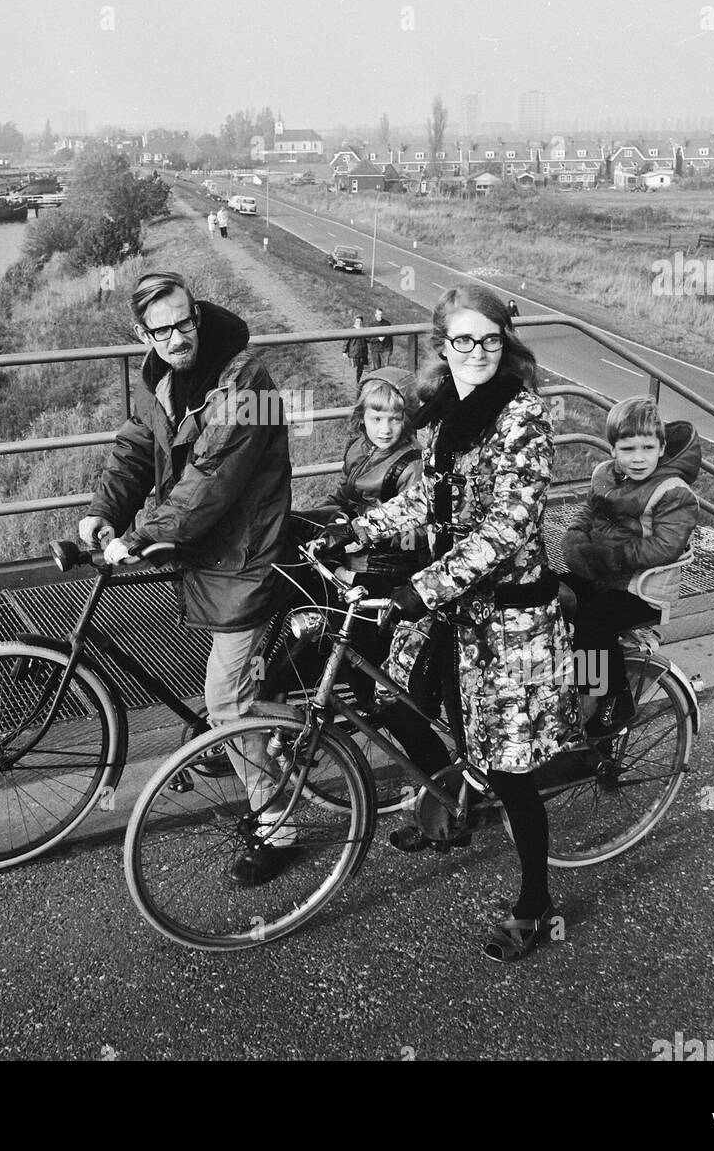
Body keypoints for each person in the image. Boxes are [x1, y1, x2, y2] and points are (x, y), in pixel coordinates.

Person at [319, 283, 576, 962]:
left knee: (505, 763)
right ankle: (449, 815)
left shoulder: (523, 416)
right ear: (442, 345)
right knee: (401, 705)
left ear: (503, 342)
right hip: (450, 608)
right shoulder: (441, 415)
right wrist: (352, 529)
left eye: (490, 339)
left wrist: (420, 590)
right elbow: (423, 506)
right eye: (464, 340)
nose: (478, 352)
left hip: (505, 618)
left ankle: (534, 902)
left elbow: (507, 525)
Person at [79, 271, 293, 885]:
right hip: (209, 555)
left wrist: (140, 534)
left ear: (197, 313)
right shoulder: (159, 376)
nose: (176, 338)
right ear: (141, 333)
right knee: (227, 696)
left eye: (184, 322)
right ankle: (240, 744)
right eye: (161, 329)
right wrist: (104, 513)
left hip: (247, 554)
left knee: (226, 699)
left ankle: (279, 825)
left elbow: (209, 478)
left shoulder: (245, 379)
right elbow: (136, 450)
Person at [301, 368, 449, 777]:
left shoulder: (412, 465)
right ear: (361, 417)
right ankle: (362, 702)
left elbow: (413, 534)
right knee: (339, 644)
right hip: (356, 557)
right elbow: (344, 497)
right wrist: (326, 522)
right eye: (375, 417)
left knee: (376, 670)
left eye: (395, 418)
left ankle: (428, 759)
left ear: (409, 420)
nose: (384, 428)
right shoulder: (358, 450)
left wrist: (353, 538)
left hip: (391, 570)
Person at [561, 397, 700, 737]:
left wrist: (610, 557)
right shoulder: (607, 477)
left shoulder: (673, 492)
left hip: (642, 588)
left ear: (662, 447)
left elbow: (665, 546)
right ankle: (562, 677)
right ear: (613, 449)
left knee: (593, 618)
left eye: (647, 448)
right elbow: (589, 511)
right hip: (604, 576)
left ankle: (605, 695)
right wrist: (576, 536)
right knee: (550, 593)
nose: (638, 458)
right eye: (627, 448)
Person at [343, 315, 369, 384]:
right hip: (354, 352)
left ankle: (357, 381)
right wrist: (344, 351)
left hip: (362, 352)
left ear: (362, 322)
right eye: (357, 321)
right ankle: (351, 381)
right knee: (354, 367)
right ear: (355, 321)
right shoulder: (351, 330)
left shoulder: (364, 330)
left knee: (361, 367)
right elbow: (346, 340)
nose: (359, 323)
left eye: (360, 321)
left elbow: (368, 340)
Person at [368, 306, 393, 371]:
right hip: (375, 349)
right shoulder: (371, 325)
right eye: (378, 314)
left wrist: (391, 349)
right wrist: (378, 339)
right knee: (376, 369)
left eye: (381, 314)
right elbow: (368, 339)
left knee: (386, 369)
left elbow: (390, 338)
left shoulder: (387, 324)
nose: (380, 316)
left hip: (386, 349)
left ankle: (385, 381)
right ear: (375, 315)